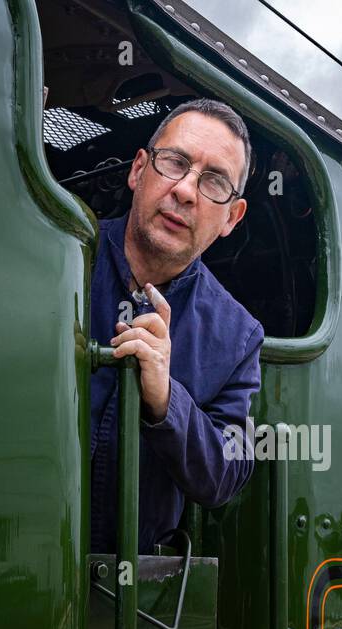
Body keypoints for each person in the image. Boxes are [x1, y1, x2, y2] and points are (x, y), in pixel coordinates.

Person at [89, 98, 264, 553]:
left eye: (214, 182)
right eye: (175, 162)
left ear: (232, 217)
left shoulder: (239, 336)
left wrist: (166, 400)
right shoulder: (59, 252)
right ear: (139, 171)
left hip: (126, 597)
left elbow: (227, 474)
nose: (186, 190)